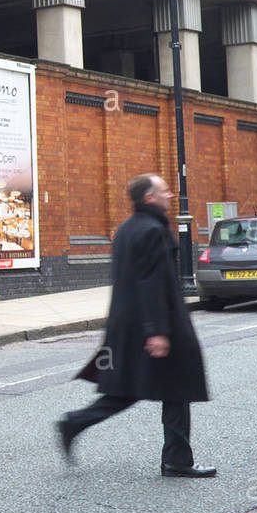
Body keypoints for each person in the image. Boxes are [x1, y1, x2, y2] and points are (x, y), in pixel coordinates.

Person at [56, 173, 215, 477]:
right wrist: (157, 331)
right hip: (155, 325)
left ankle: (74, 423)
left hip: (129, 325)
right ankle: (177, 461)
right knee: (173, 387)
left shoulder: (127, 229)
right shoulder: (155, 231)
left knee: (132, 390)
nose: (170, 195)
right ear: (149, 198)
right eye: (164, 191)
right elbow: (152, 283)